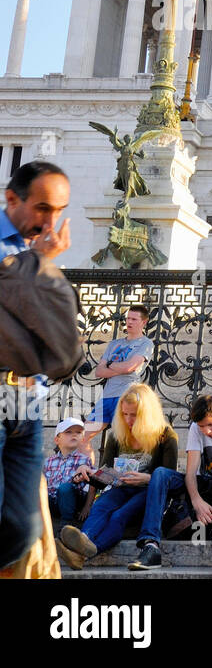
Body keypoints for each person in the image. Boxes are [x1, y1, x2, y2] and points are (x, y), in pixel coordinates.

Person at [0, 161, 71, 575]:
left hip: (25, 402)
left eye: (59, 210)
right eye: (43, 208)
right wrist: (37, 264)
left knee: (23, 528)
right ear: (12, 199)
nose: (51, 220)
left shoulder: (36, 252)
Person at [57, 383, 179, 570]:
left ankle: (85, 553)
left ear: (147, 414)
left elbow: (168, 477)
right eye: (124, 414)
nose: (128, 420)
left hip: (147, 492)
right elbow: (105, 471)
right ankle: (84, 540)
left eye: (134, 415)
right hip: (120, 487)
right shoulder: (116, 434)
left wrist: (147, 479)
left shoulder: (165, 435)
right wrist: (91, 474)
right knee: (101, 506)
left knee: (118, 516)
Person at [129, 394, 212, 571]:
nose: (207, 431)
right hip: (205, 486)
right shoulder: (196, 429)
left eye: (211, 425)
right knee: (160, 474)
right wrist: (197, 502)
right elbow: (190, 474)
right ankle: (151, 544)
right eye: (202, 426)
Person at [84, 305, 154, 457]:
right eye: (128, 318)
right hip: (107, 397)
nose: (129, 322)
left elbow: (130, 367)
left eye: (134, 319)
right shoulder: (114, 344)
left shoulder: (146, 344)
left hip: (126, 397)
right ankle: (86, 472)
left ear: (144, 322)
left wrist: (109, 365)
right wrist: (117, 367)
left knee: (124, 438)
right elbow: (99, 372)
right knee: (83, 436)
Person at [43, 417, 92, 531]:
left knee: (65, 488)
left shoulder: (84, 460)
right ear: (57, 440)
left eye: (78, 432)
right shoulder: (49, 461)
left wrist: (87, 506)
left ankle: (67, 525)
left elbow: (92, 484)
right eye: (68, 432)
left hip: (73, 500)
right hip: (53, 501)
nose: (74, 435)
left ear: (83, 439)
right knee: (38, 493)